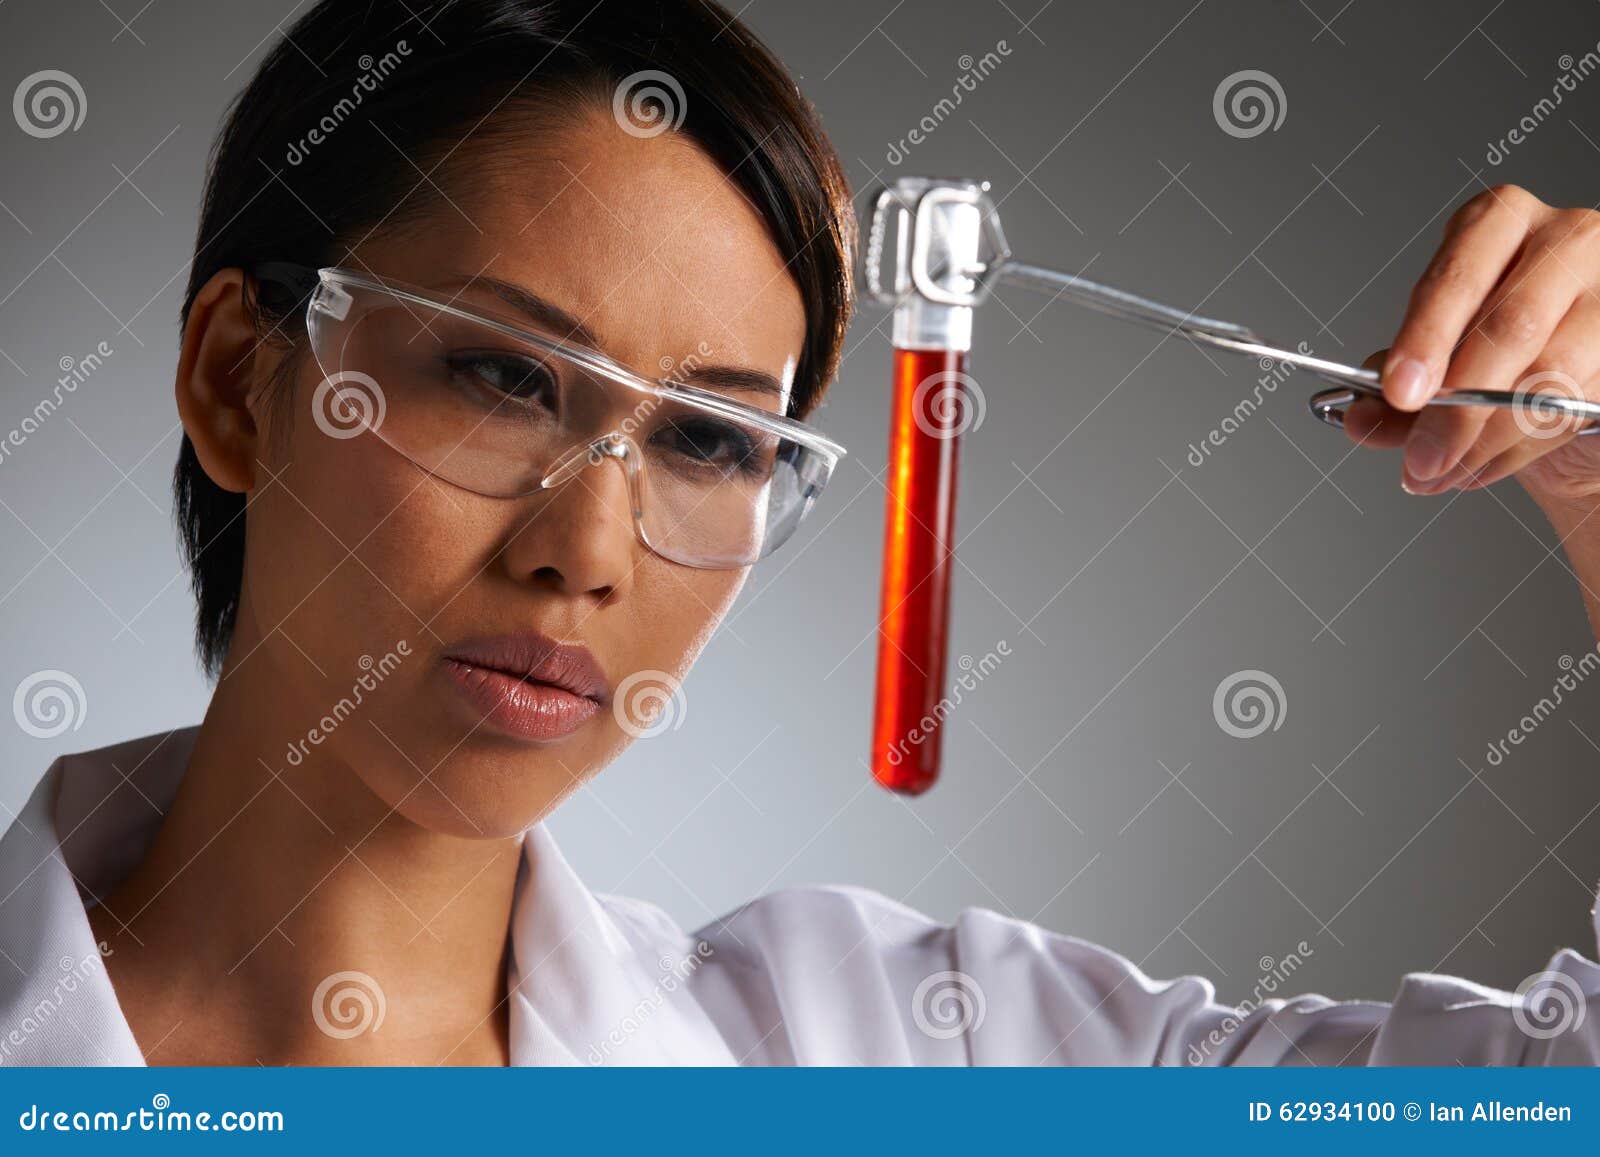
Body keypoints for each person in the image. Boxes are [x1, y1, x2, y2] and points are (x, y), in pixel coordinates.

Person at [2, 0, 1598, 1067]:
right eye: (502, 375)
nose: (593, 546)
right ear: (237, 378)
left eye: (709, 436)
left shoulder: (894, 1050)